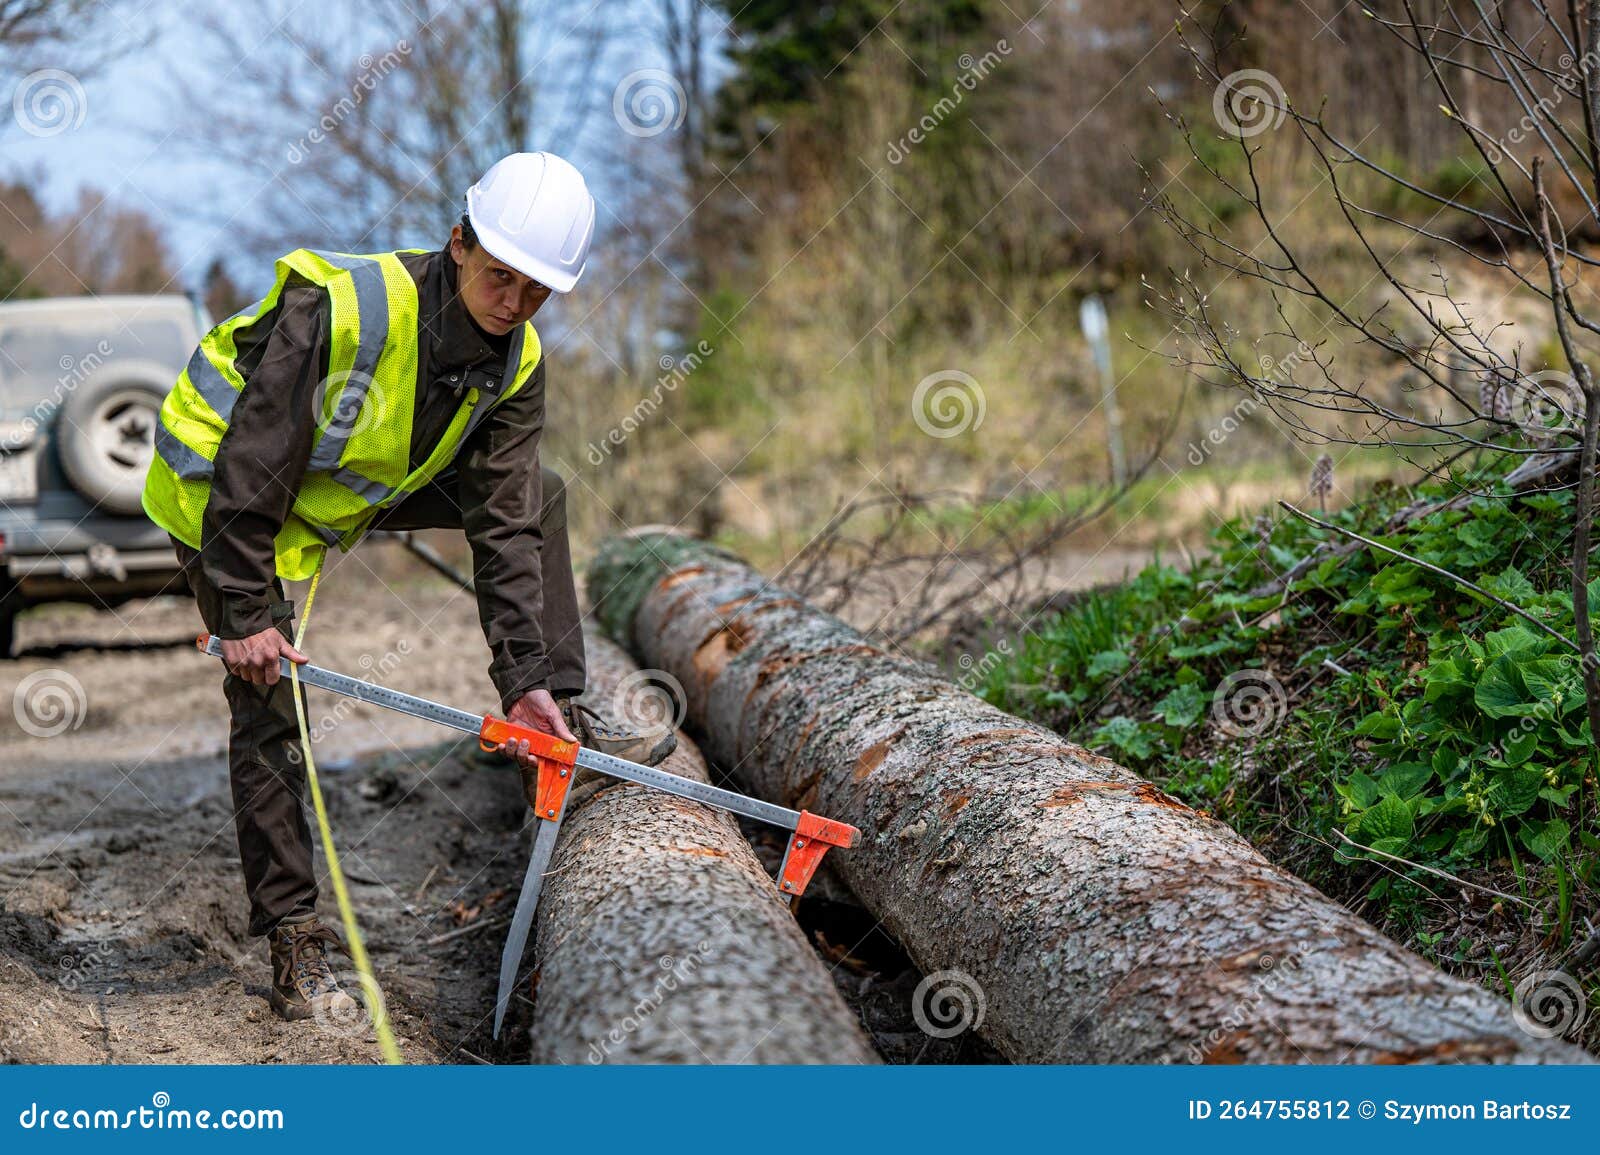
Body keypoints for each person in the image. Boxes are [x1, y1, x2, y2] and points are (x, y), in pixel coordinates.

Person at [142, 151, 676, 1023]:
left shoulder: (517, 362)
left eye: (537, 291)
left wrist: (524, 677)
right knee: (269, 697)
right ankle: (294, 940)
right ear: (459, 243)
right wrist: (245, 611)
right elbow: (256, 452)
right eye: (501, 277)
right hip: (220, 485)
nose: (514, 304)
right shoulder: (341, 307)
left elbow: (504, 522)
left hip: (323, 480)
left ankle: (565, 703)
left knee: (538, 494)